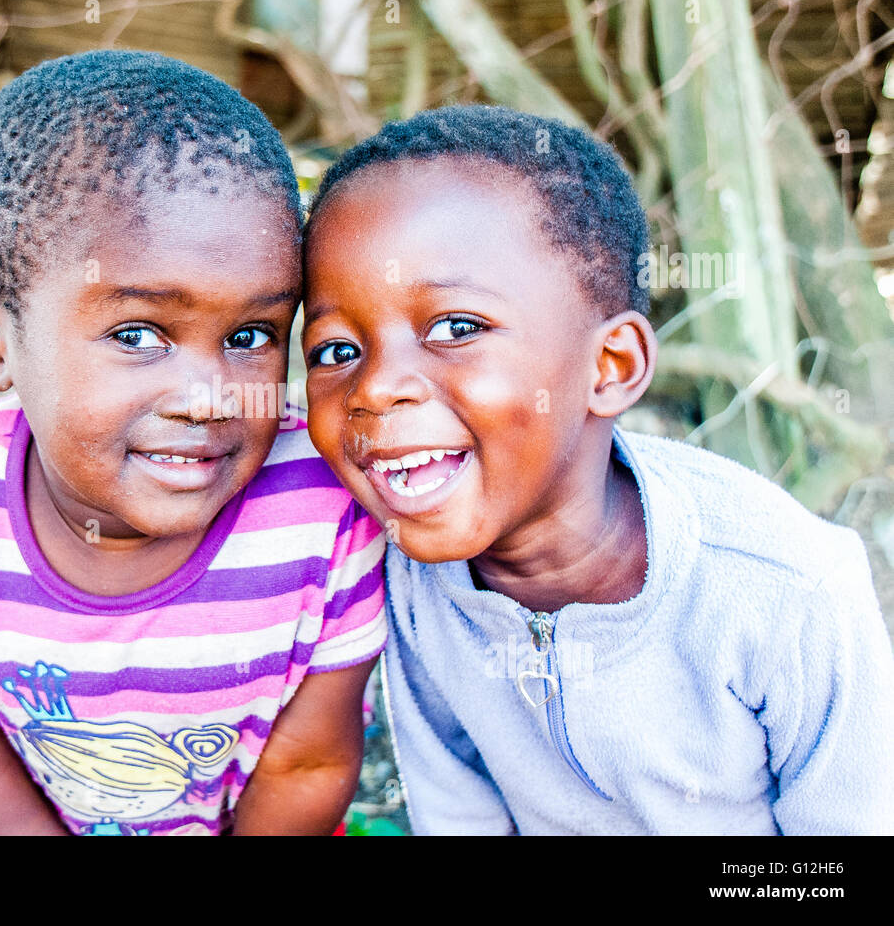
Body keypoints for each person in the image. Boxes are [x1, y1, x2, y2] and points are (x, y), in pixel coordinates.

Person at [300, 103, 894, 834]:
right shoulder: (413, 583)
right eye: (335, 350)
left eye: (456, 328)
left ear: (609, 366)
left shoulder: (785, 589)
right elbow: (458, 814)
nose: (376, 387)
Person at [0, 51, 386, 836]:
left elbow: (310, 764)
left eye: (251, 334)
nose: (209, 398)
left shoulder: (321, 512)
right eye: (138, 333)